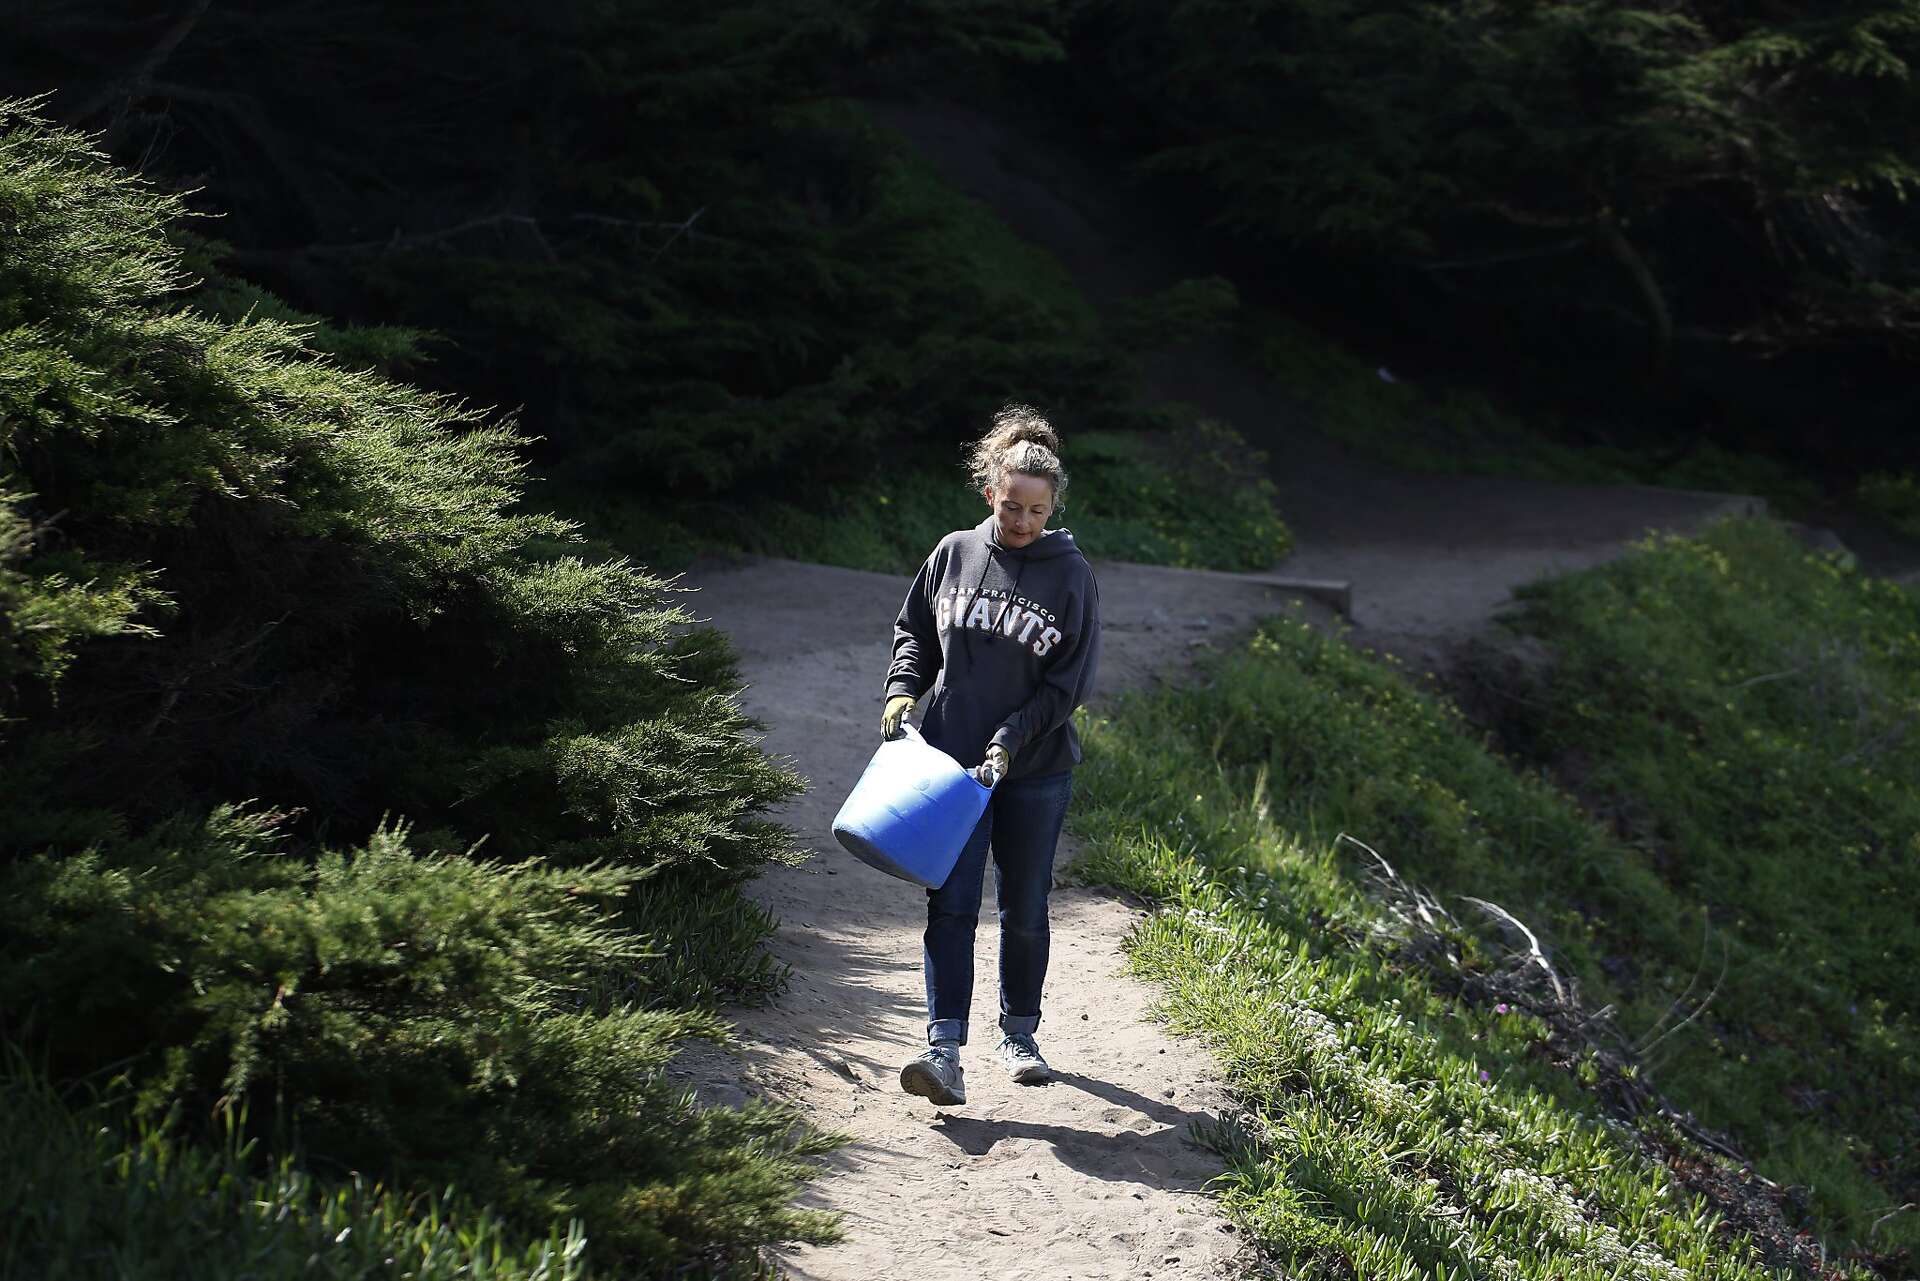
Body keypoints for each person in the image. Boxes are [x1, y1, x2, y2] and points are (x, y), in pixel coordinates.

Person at [879, 403, 1103, 1107]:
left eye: (1036, 512)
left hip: (1035, 770)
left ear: (1053, 505)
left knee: (1026, 904)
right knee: (949, 903)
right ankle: (942, 1048)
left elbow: (1066, 685)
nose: (1023, 523)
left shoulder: (1071, 575)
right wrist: (901, 690)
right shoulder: (954, 552)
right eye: (1012, 508)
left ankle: (1020, 1034)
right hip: (950, 766)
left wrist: (1009, 740)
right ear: (990, 494)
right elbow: (915, 628)